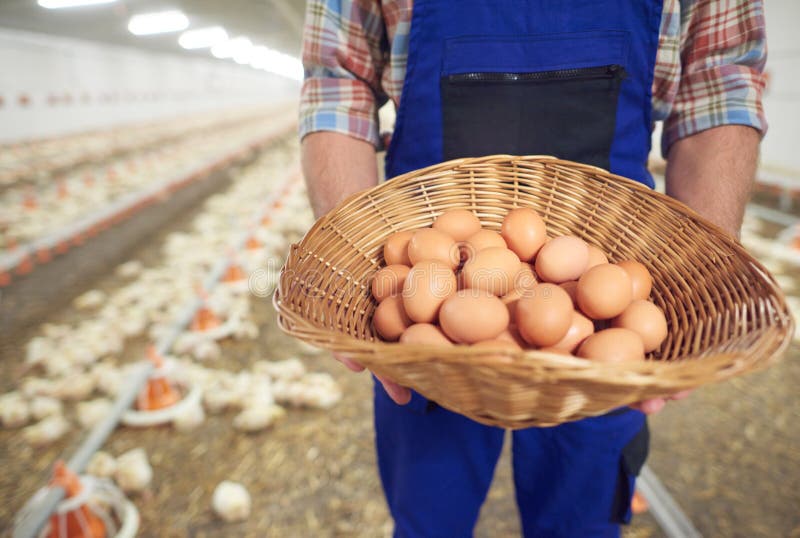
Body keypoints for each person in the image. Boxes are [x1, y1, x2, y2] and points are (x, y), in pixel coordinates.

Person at [298, 0, 766, 536]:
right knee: (429, 513)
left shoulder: (592, 300)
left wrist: (699, 274)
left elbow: (719, 84)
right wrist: (355, 259)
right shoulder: (441, 289)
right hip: (428, 320)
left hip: (602, 299)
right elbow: (337, 84)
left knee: (580, 519)